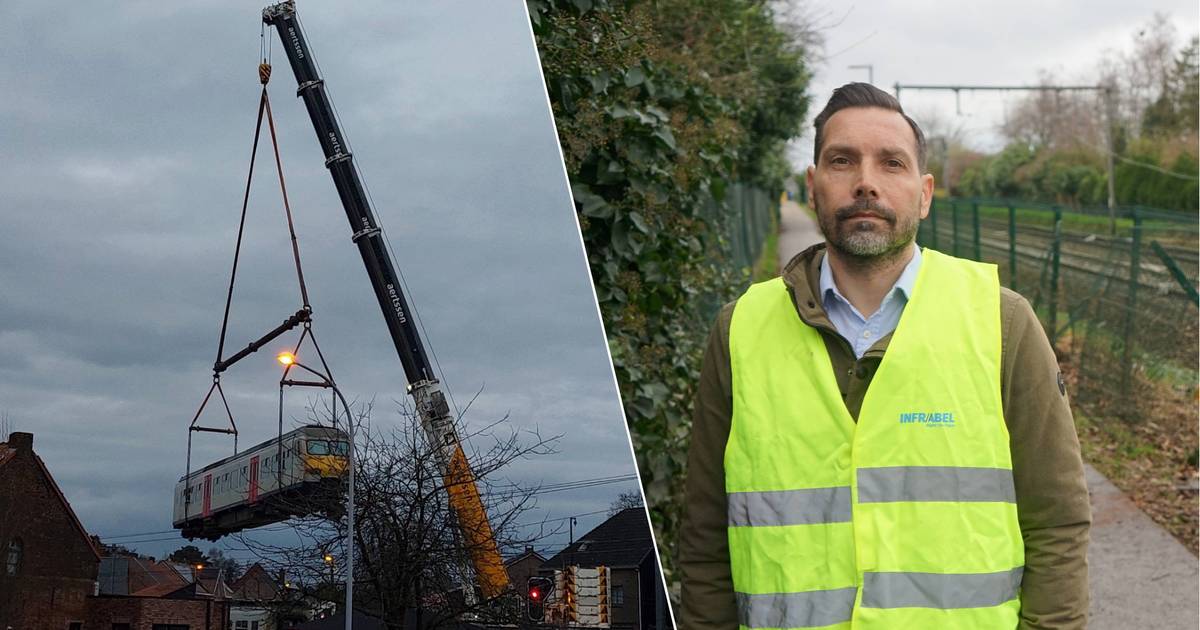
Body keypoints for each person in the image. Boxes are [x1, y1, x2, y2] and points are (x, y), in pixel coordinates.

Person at [678, 83, 1090, 629]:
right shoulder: (740, 331)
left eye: (890, 164)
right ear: (813, 186)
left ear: (923, 194)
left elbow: (1057, 521)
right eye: (842, 161)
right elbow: (705, 534)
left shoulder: (1001, 321)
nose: (866, 183)